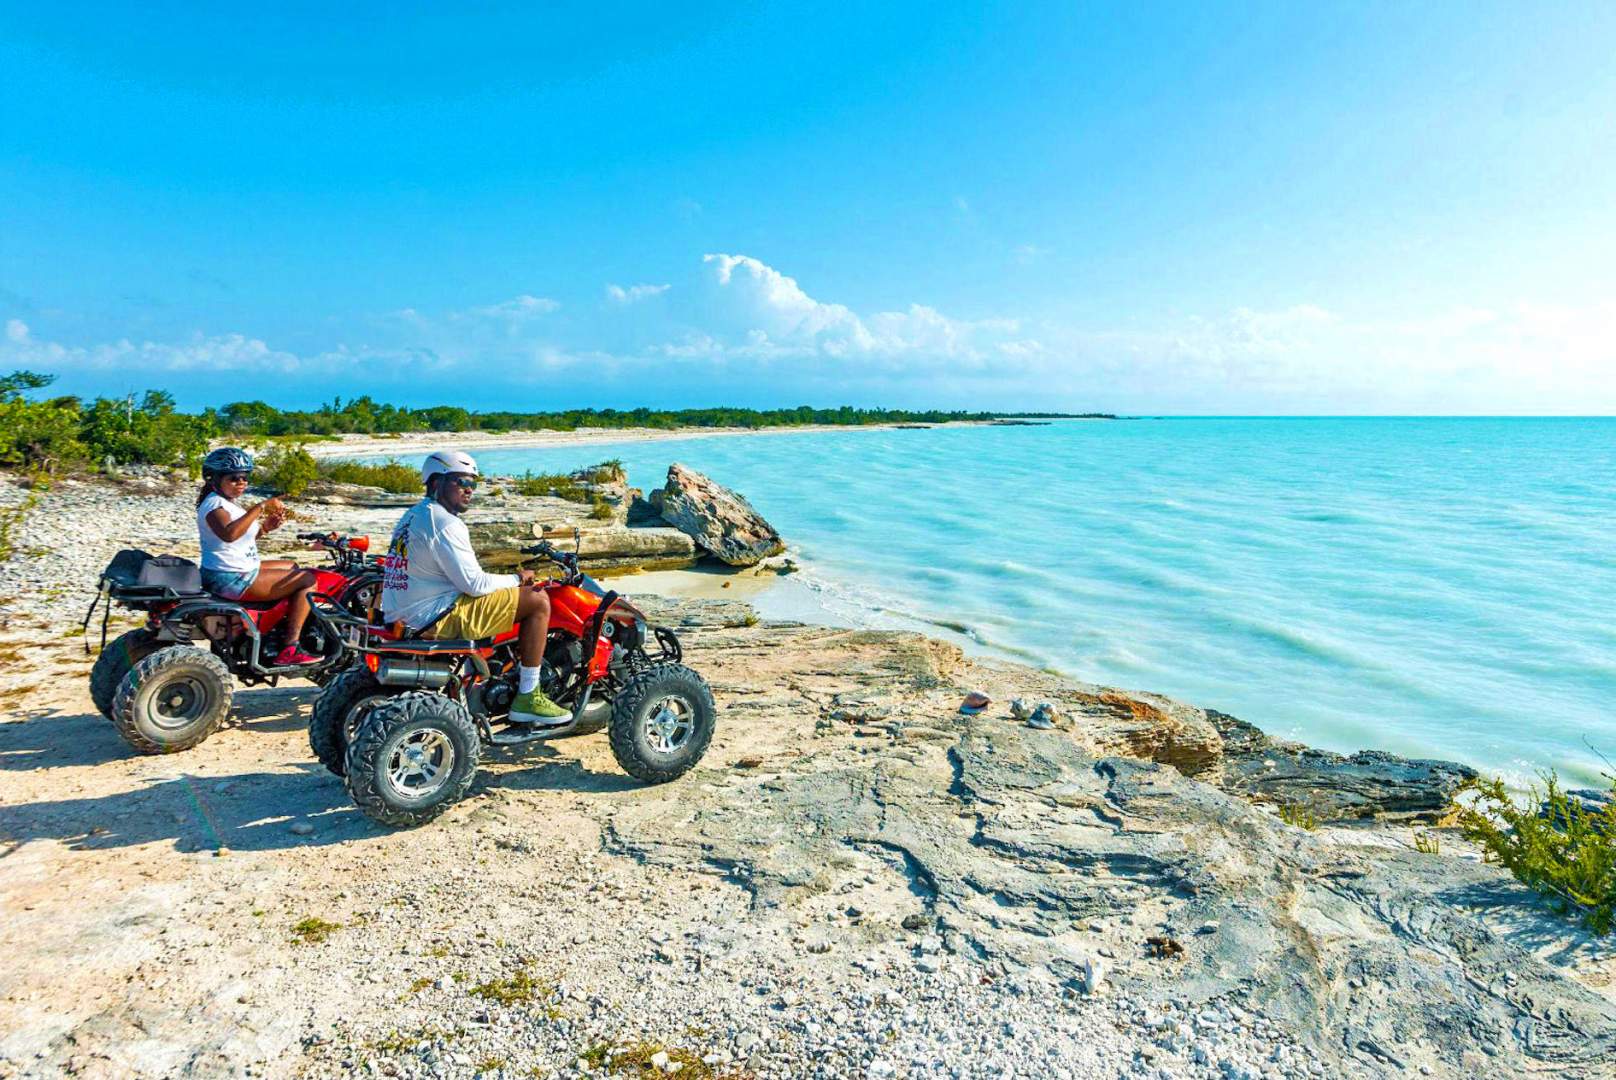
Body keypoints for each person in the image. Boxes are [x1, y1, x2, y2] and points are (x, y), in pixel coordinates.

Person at [380, 449, 569, 722]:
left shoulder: (413, 515)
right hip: (432, 617)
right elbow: (475, 584)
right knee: (537, 600)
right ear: (436, 482)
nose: (469, 490)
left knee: (502, 596)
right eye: (462, 482)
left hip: (405, 614)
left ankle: (483, 677)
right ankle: (529, 695)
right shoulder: (445, 523)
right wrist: (518, 579)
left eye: (473, 484)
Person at [195, 446, 321, 666]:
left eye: (245, 477)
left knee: (292, 566)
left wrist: (265, 528)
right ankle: (290, 647)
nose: (241, 483)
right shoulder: (214, 505)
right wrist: (261, 506)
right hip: (230, 577)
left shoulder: (226, 503)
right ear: (213, 478)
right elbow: (229, 534)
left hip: (233, 568)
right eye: (234, 478)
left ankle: (272, 627)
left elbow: (240, 538)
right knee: (308, 580)